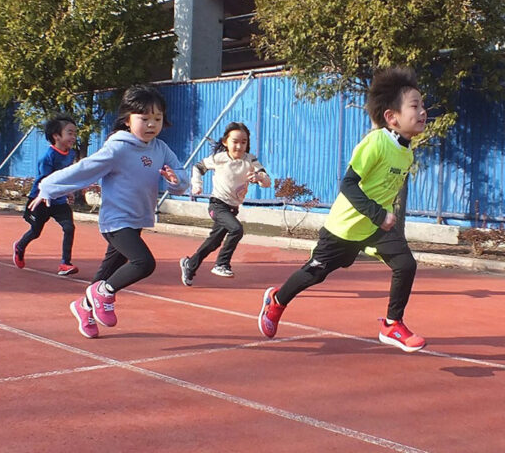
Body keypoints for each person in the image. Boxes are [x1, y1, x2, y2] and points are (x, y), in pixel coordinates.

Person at [257, 66, 428, 353]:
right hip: (344, 228)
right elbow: (348, 185)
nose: (423, 111)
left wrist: (384, 216)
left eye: (423, 105)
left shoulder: (406, 151)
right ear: (392, 117)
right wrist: (378, 213)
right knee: (314, 274)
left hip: (375, 229)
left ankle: (392, 325)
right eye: (415, 105)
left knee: (406, 264)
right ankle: (276, 301)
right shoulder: (375, 143)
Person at [28, 84, 188, 339]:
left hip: (137, 219)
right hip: (116, 221)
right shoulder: (118, 148)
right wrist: (47, 187)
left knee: (106, 271)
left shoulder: (160, 149)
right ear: (127, 120)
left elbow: (181, 179)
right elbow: (83, 170)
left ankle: (84, 306)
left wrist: (175, 180)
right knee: (143, 263)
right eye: (144, 119)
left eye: (157, 119)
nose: (151, 125)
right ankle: (104, 293)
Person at [179, 122, 271, 284]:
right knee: (237, 229)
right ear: (225, 142)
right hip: (217, 204)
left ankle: (190, 264)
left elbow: (266, 180)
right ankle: (222, 263)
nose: (239, 146)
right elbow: (198, 167)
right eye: (235, 141)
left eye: (244, 142)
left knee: (213, 242)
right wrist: (197, 185)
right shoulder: (219, 159)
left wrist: (259, 178)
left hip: (232, 208)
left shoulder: (251, 160)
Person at [13, 114, 78, 276]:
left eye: (75, 133)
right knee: (35, 232)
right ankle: (20, 247)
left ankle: (65, 264)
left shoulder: (71, 154)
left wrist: (68, 191)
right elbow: (46, 182)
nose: (74, 137)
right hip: (40, 199)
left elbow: (66, 176)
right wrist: (59, 191)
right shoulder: (47, 157)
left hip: (58, 201)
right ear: (56, 136)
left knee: (69, 227)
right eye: (69, 133)